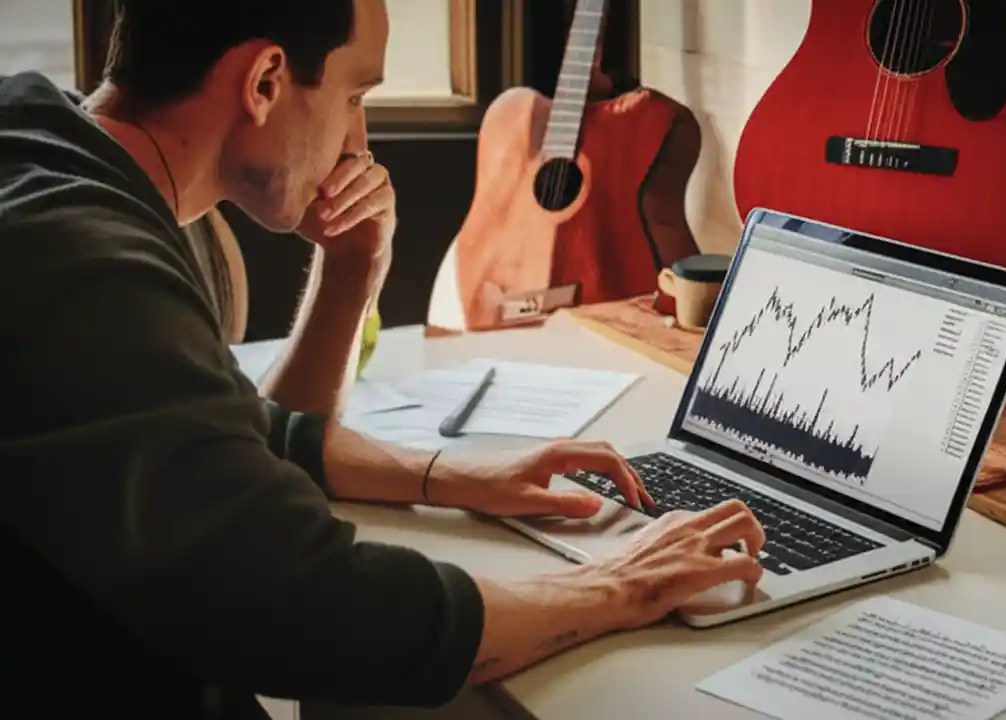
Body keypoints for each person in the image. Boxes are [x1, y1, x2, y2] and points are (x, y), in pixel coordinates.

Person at [0, 1, 766, 717]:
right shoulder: (83, 266)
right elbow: (312, 606)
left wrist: (454, 474)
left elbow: (225, 433)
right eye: (354, 96)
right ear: (266, 82)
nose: (357, 142)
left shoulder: (53, 156)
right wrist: (620, 585)